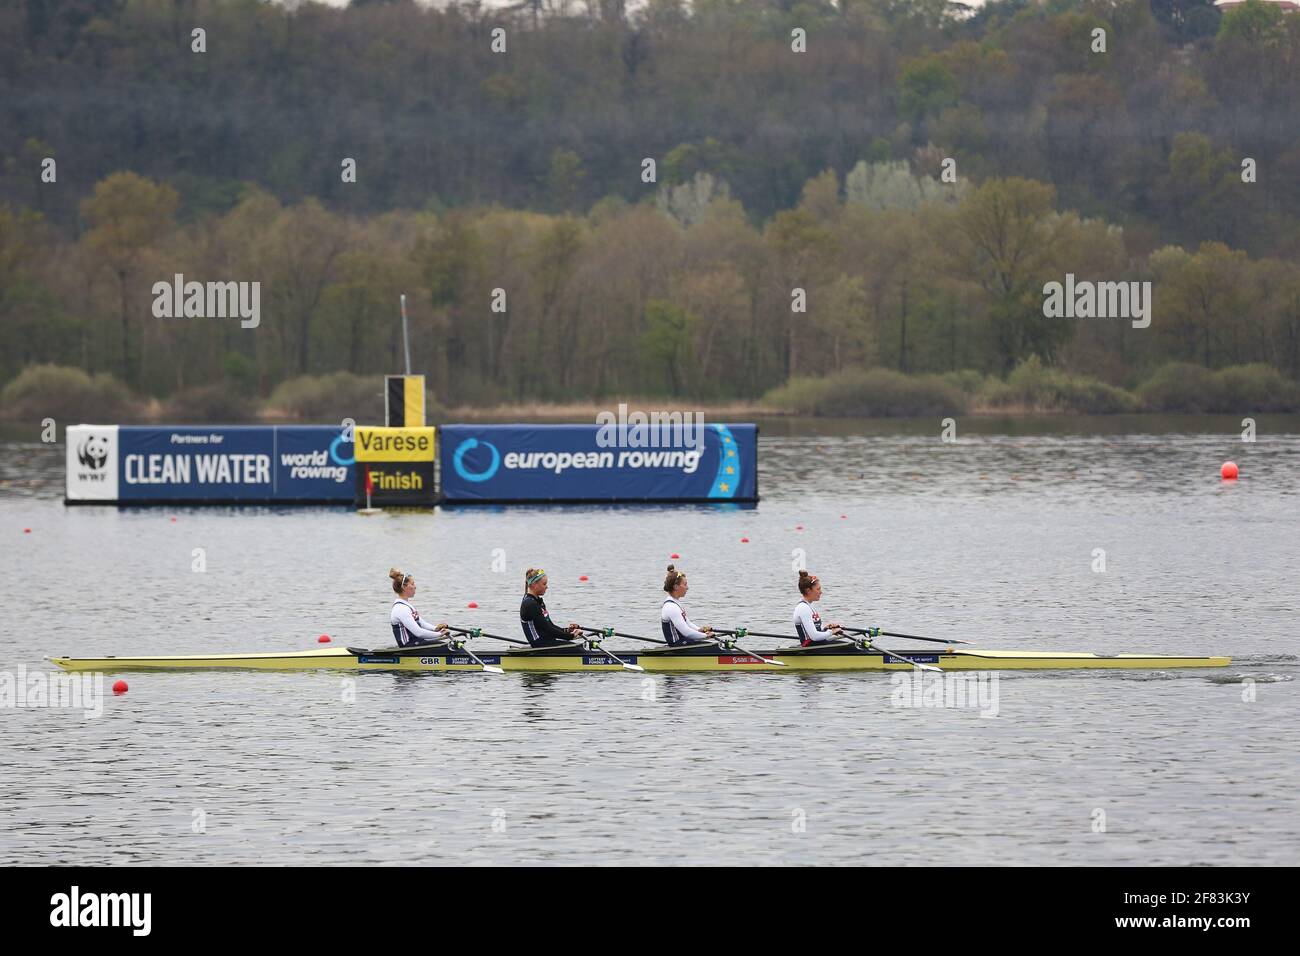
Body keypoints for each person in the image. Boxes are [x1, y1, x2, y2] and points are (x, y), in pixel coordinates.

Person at [519, 568, 581, 647]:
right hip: (539, 644)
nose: (547, 587)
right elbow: (547, 629)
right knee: (578, 648)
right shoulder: (530, 604)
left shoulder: (538, 601)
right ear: (534, 585)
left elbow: (550, 625)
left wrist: (567, 631)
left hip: (547, 641)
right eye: (544, 584)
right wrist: (570, 636)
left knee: (578, 647)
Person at [389, 568, 450, 647]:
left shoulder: (406, 605)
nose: (415, 587)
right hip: (409, 648)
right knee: (450, 648)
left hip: (417, 643)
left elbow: (421, 623)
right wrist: (439, 634)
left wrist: (435, 628)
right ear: (404, 587)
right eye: (412, 584)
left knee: (451, 647)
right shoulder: (401, 609)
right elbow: (418, 632)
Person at [660, 564, 714, 647]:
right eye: (685, 584)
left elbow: (687, 623)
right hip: (677, 646)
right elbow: (686, 632)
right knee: (715, 648)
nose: (687, 588)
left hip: (684, 642)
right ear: (676, 587)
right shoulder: (671, 607)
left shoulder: (675, 603)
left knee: (715, 646)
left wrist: (699, 630)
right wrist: (706, 636)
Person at [793, 570, 843, 646]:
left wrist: (827, 628)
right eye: (818, 589)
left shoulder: (808, 606)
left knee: (854, 647)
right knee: (854, 649)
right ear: (808, 590)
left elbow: (816, 630)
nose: (821, 592)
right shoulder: (803, 608)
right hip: (811, 648)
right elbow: (814, 637)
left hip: (818, 645)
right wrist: (831, 632)